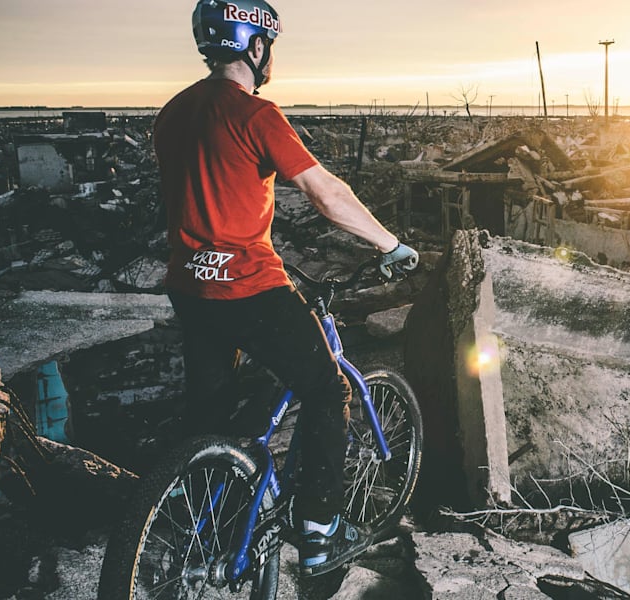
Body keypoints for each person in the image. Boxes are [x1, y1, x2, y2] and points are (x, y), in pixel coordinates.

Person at [154, 0, 419, 577]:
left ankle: (209, 507)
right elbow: (327, 194)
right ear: (256, 46)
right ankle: (319, 534)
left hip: (189, 286)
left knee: (212, 407)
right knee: (326, 390)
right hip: (249, 285)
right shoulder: (257, 114)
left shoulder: (172, 113)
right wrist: (389, 244)